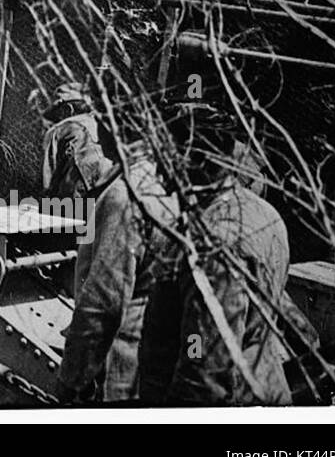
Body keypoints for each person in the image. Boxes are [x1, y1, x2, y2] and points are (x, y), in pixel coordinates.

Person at [137, 103, 297, 405]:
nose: (157, 167)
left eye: (167, 155)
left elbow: (204, 374)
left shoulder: (213, 243)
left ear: (198, 159)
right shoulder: (265, 213)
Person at [57, 138, 179, 403]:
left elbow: (103, 304)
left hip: (123, 366)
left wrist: (71, 378)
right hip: (157, 357)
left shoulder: (124, 195)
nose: (99, 138)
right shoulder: (165, 182)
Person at [39, 81, 114, 200]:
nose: (55, 119)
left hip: (75, 202)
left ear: (68, 109)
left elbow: (47, 181)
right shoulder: (103, 124)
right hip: (108, 193)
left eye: (56, 113)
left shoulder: (61, 128)